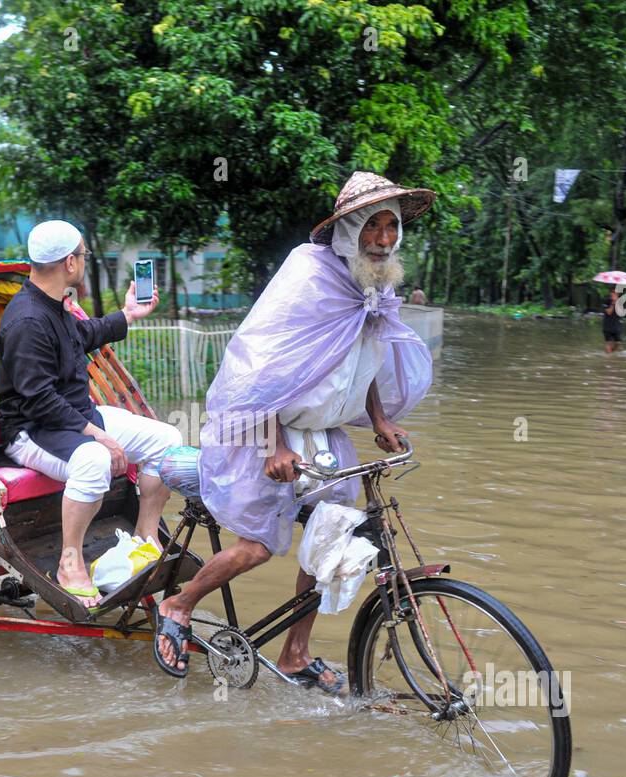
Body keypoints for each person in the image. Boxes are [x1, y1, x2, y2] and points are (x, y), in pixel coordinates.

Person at [152, 172, 434, 691]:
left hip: (326, 437)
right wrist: (274, 445)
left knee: (333, 537)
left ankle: (296, 652)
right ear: (349, 229)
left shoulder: (376, 283)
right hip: (265, 432)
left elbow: (364, 358)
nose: (384, 238)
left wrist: (378, 420)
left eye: (391, 225)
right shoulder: (307, 274)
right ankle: (179, 603)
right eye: (372, 225)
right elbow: (260, 369)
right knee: (258, 547)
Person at [0, 220, 181, 608]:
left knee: (169, 440)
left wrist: (128, 314)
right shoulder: (27, 319)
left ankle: (146, 531)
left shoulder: (53, 305)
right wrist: (97, 434)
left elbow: (83, 335)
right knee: (95, 459)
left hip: (75, 417)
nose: (83, 261)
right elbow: (38, 399)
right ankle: (70, 560)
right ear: (70, 263)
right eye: (83, 255)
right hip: (31, 430)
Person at [602, 287, 621, 354]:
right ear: (610, 293)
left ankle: (609, 353)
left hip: (616, 326)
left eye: (616, 293)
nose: (615, 294)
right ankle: (608, 357)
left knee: (618, 343)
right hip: (607, 326)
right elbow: (609, 312)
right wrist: (613, 303)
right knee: (609, 342)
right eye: (613, 292)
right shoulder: (606, 301)